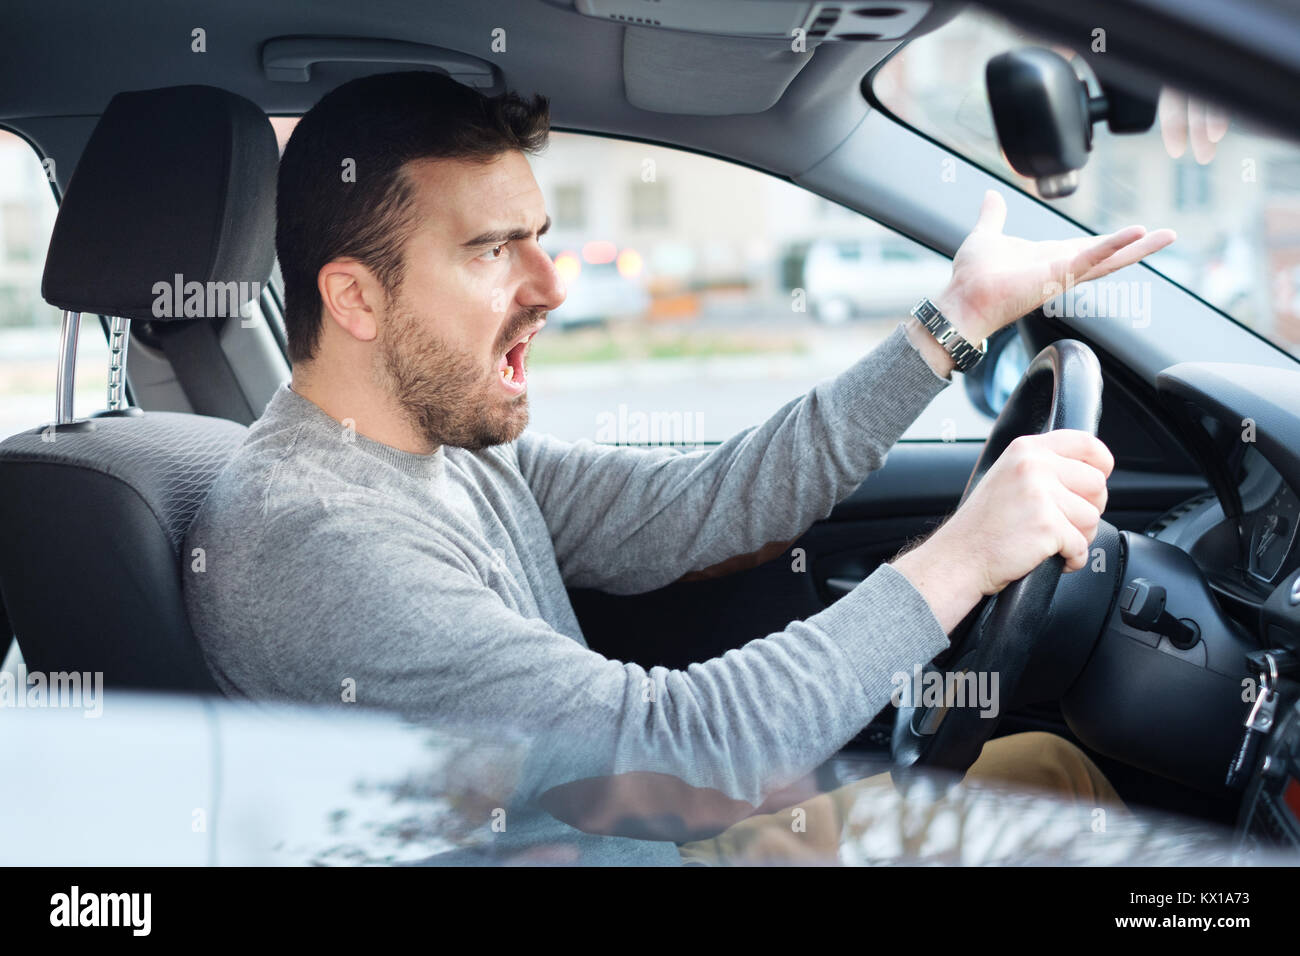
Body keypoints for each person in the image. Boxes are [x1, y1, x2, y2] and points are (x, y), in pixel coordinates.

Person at [183, 70, 1176, 866]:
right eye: (493, 251)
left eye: (541, 238)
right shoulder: (315, 536)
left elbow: (715, 503)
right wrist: (962, 559)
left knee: (1035, 769)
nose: (552, 285)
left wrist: (953, 323)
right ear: (356, 299)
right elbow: (670, 753)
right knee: (1053, 792)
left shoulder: (442, 446)